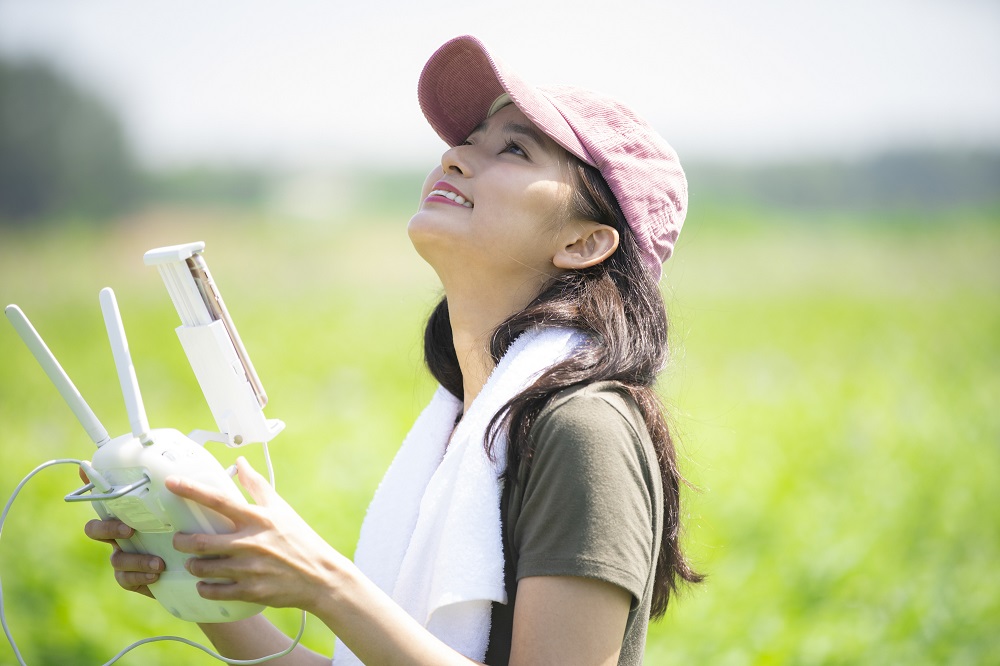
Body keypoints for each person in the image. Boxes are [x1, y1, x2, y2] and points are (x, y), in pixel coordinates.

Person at [84, 34, 701, 665]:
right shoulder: (461, 425)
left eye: (513, 148)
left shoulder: (584, 429)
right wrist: (192, 561)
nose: (456, 156)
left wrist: (325, 582)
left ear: (584, 243)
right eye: (469, 140)